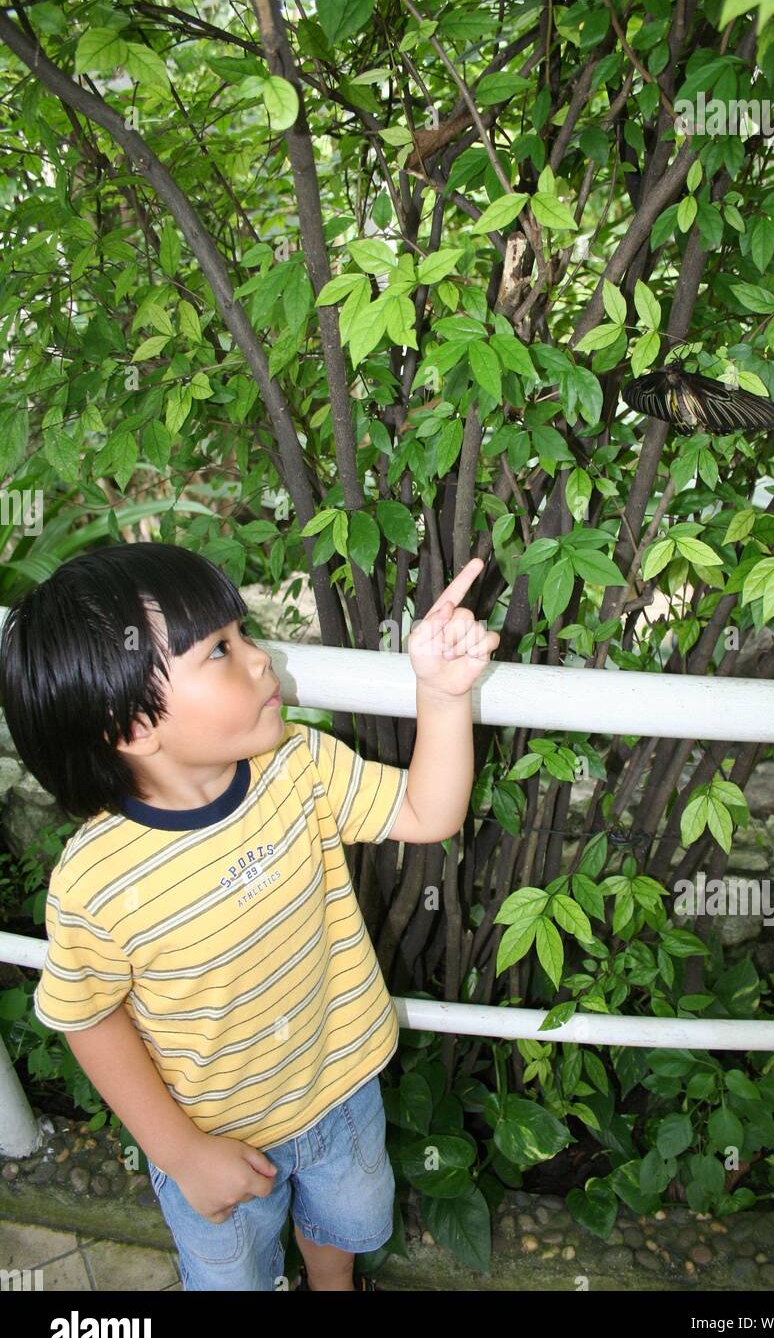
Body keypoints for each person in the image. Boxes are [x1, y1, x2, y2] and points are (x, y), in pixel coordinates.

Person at [0, 542, 498, 1291]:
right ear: (132, 725)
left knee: (345, 1225)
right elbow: (88, 1017)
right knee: (233, 1273)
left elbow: (428, 811)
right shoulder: (97, 881)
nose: (262, 660)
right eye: (221, 651)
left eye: (245, 635)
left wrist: (444, 692)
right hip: (210, 1134)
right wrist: (179, 1153)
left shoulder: (299, 767)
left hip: (342, 1092)